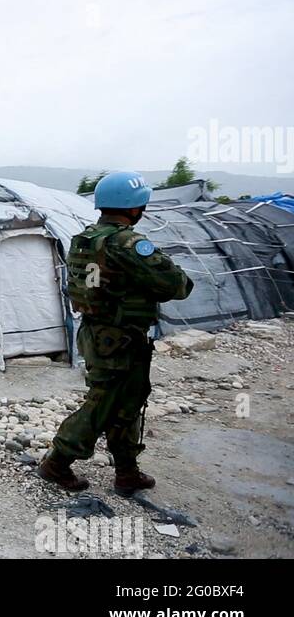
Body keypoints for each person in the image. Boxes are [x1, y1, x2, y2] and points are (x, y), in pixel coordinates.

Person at [38, 171, 193, 495]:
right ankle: (58, 462)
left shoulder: (86, 238)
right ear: (134, 206)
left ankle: (127, 471)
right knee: (103, 404)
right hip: (120, 338)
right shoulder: (129, 243)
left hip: (97, 333)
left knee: (127, 403)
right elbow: (178, 286)